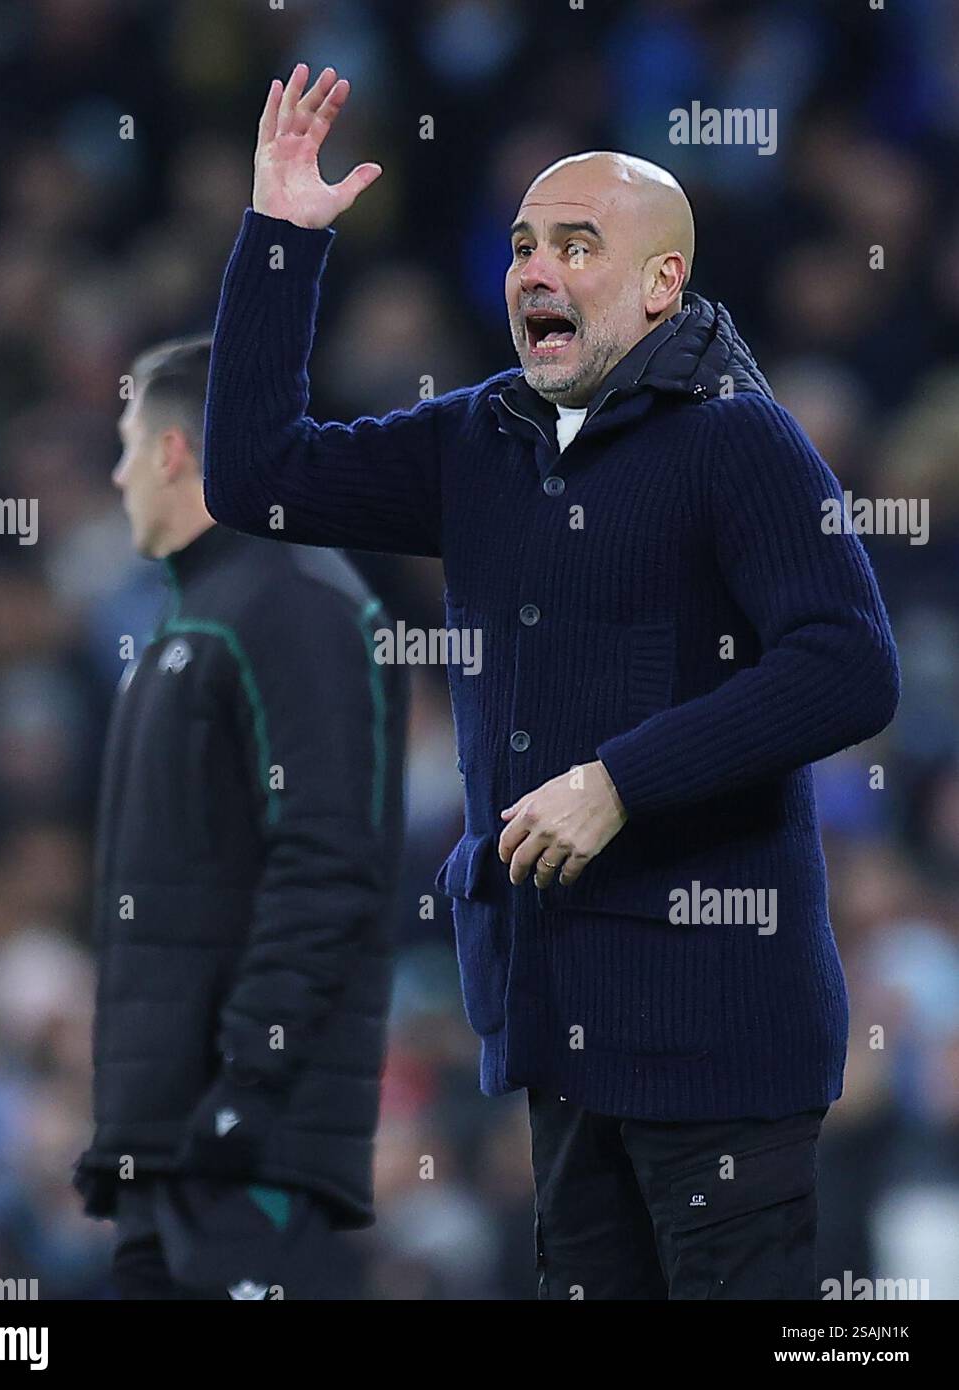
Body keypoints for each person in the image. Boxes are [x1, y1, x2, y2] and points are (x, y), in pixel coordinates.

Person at [202, 66, 900, 1300]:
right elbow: (257, 478)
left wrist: (621, 781)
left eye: (577, 246)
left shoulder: (740, 437)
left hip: (722, 1035)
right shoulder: (480, 436)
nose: (537, 270)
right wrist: (281, 245)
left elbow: (850, 665)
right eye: (525, 245)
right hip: (556, 1021)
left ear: (659, 284)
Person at [72, 334, 408, 1299]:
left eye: (129, 443)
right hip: (174, 1151)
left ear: (175, 452)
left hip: (250, 1150)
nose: (118, 471)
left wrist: (244, 1093)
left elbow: (328, 860)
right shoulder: (202, 613)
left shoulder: (292, 602)